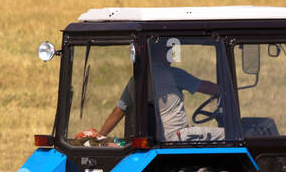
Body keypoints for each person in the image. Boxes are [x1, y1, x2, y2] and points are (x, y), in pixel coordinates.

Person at [77, 41, 221, 144]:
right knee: (229, 135)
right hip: (177, 136)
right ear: (162, 52)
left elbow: (118, 111)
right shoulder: (173, 74)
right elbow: (208, 88)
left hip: (154, 139)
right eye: (168, 50)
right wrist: (225, 90)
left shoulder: (136, 79)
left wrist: (101, 136)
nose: (170, 54)